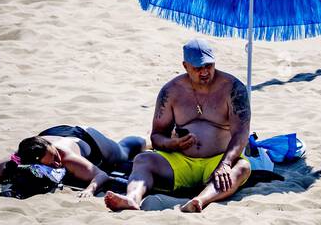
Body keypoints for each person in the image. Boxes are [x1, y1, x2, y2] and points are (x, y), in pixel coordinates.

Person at [105, 38, 252, 213]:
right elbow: (157, 135)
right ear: (185, 66)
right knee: (142, 159)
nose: (205, 72)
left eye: (209, 66)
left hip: (217, 159)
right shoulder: (171, 91)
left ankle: (200, 200)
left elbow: (241, 133)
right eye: (198, 68)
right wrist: (173, 144)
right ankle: (132, 199)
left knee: (242, 167)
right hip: (181, 161)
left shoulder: (232, 88)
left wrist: (226, 163)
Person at [0, 126, 146, 198]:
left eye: (54, 158)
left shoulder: (65, 156)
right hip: (50, 135)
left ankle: (146, 139)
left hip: (86, 137)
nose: (57, 163)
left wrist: (89, 190)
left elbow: (101, 175)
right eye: (50, 163)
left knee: (123, 151)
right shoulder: (21, 156)